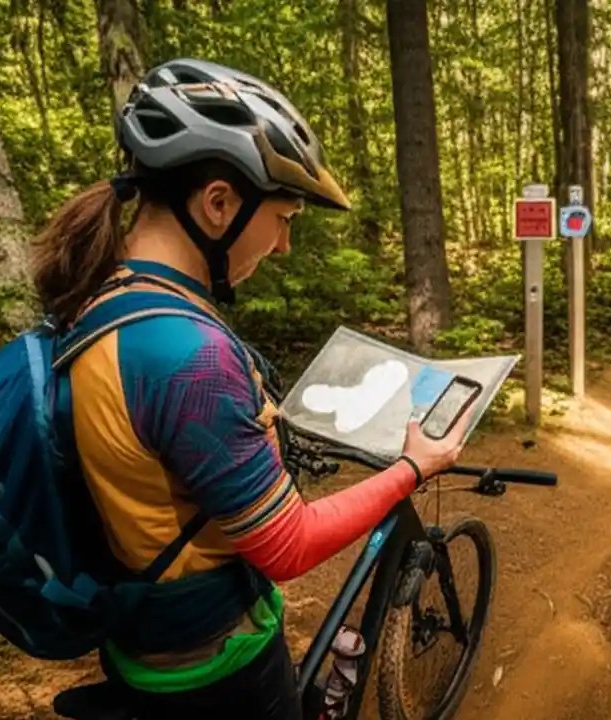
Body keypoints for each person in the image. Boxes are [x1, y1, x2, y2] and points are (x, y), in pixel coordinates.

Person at [29, 58, 469, 719]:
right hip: (216, 667)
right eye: (285, 217)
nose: (285, 244)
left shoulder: (103, 298)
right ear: (218, 203)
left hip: (138, 637)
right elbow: (286, 545)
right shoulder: (190, 355)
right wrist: (412, 468)